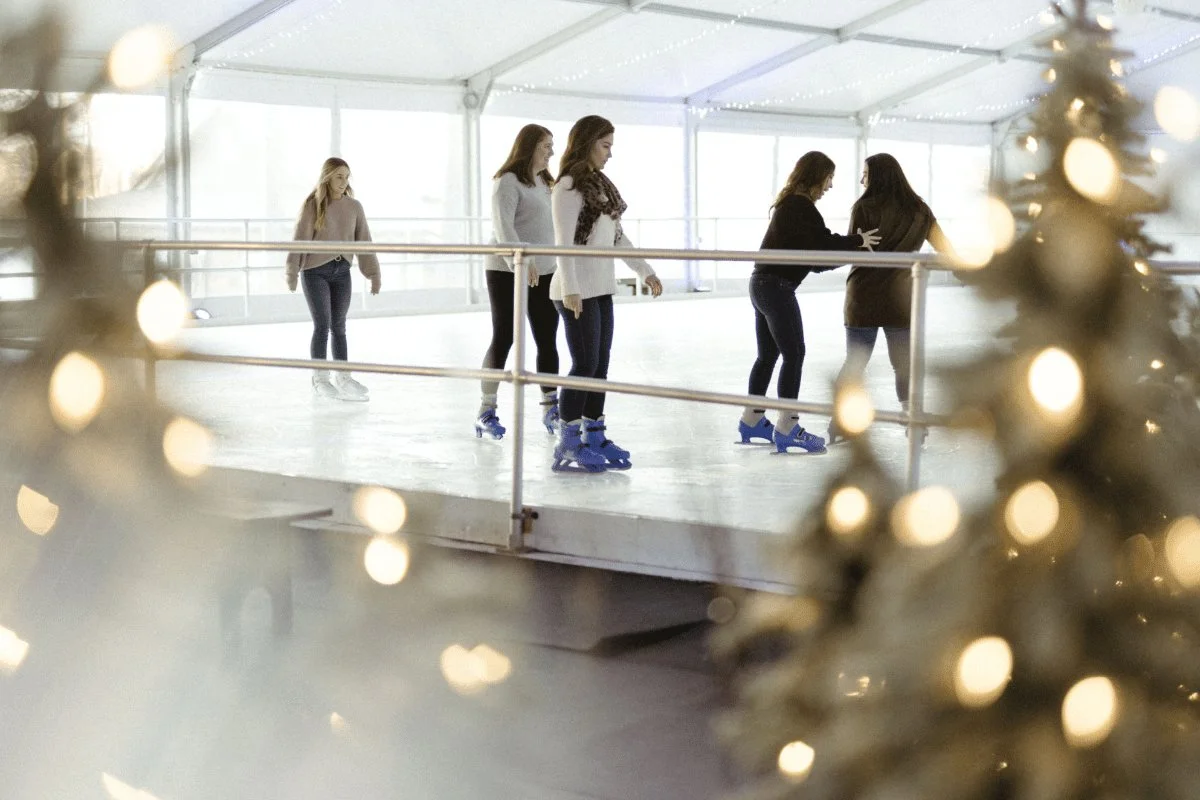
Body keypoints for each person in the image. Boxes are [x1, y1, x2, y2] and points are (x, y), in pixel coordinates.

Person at [738, 151, 880, 454]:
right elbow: (822, 247)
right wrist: (857, 242)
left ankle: (751, 419)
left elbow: (815, 260)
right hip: (776, 287)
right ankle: (788, 426)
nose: (829, 186)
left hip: (761, 283)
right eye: (829, 178)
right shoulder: (801, 206)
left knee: (768, 355)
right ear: (817, 176)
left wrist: (848, 249)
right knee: (795, 353)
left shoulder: (790, 204)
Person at [549, 114, 663, 473]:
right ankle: (567, 442)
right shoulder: (567, 186)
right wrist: (570, 289)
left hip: (599, 287)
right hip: (575, 290)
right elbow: (563, 244)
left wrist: (645, 271)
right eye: (605, 145)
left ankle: (594, 435)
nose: (609, 154)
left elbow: (617, 238)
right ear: (586, 143)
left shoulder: (600, 186)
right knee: (584, 364)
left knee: (599, 365)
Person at [828, 153, 956, 444]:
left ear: (878, 177)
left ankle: (839, 423)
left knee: (855, 362)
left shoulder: (864, 207)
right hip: (900, 298)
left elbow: (854, 248)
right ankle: (914, 421)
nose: (862, 180)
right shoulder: (920, 210)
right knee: (904, 364)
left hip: (864, 296)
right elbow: (946, 249)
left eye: (866, 174)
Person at [475, 124, 561, 440]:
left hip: (546, 270)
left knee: (547, 338)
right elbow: (503, 230)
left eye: (552, 145)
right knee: (504, 338)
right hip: (506, 270)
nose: (551, 151)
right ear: (528, 147)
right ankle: (486, 409)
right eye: (545, 145)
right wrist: (521, 265)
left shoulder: (547, 183)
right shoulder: (507, 182)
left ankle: (551, 407)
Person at [285, 157, 381, 401]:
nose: (343, 181)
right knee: (322, 326)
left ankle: (344, 377)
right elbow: (300, 239)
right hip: (315, 272)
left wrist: (373, 273)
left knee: (339, 326)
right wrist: (292, 271)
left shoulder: (354, 207)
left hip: (342, 272)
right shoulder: (313, 205)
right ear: (327, 177)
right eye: (339, 176)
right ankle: (320, 378)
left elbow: (364, 241)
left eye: (347, 176)